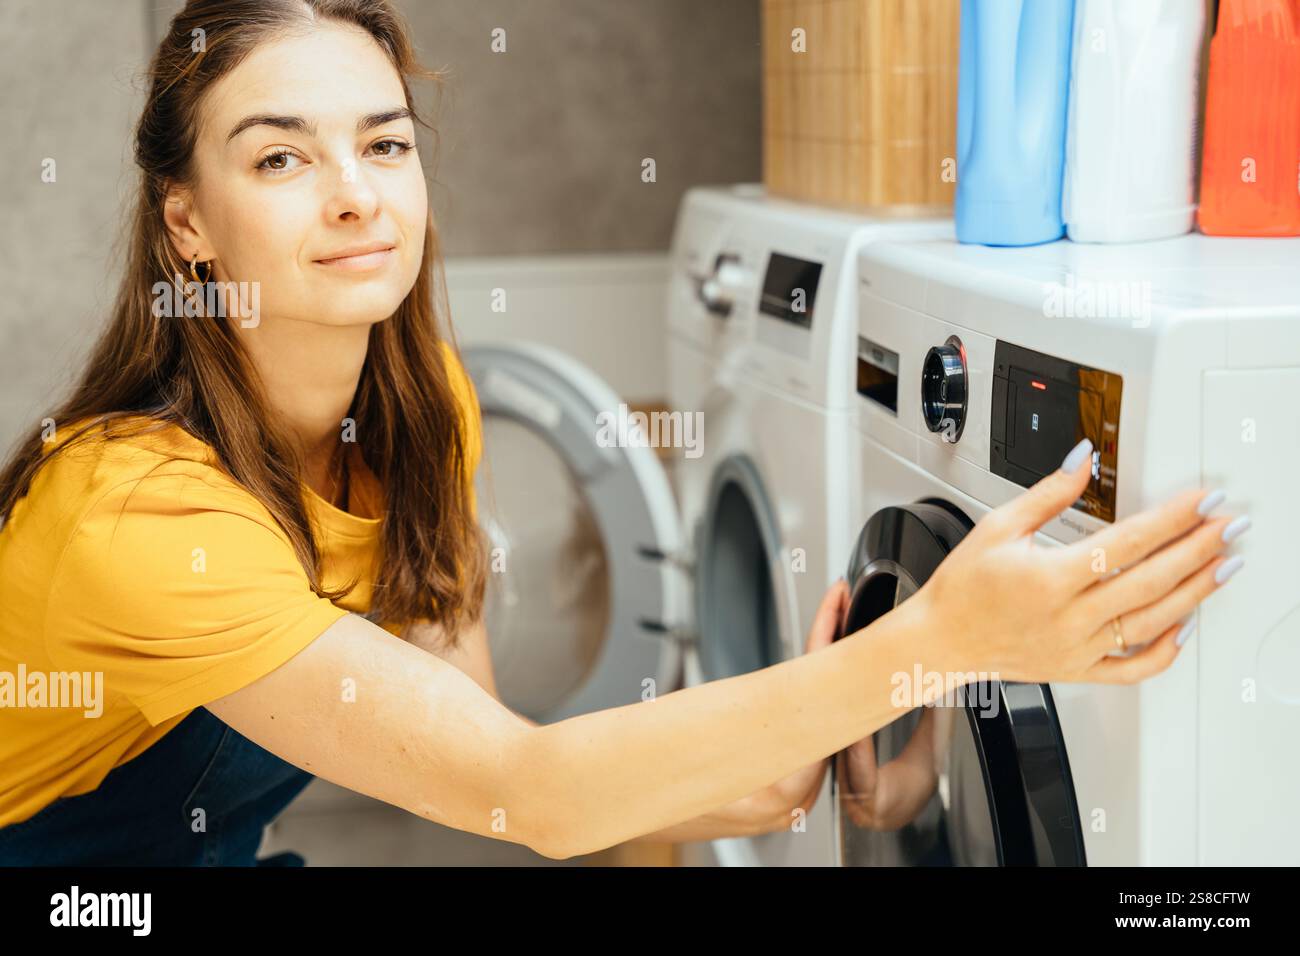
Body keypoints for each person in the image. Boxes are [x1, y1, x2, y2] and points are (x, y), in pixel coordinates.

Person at [0, 0, 1247, 865]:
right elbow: (522, 795)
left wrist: (790, 745)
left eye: (384, 141)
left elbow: (490, 748)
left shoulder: (416, 402)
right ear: (185, 226)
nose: (354, 193)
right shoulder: (137, 511)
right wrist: (928, 641)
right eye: (279, 160)